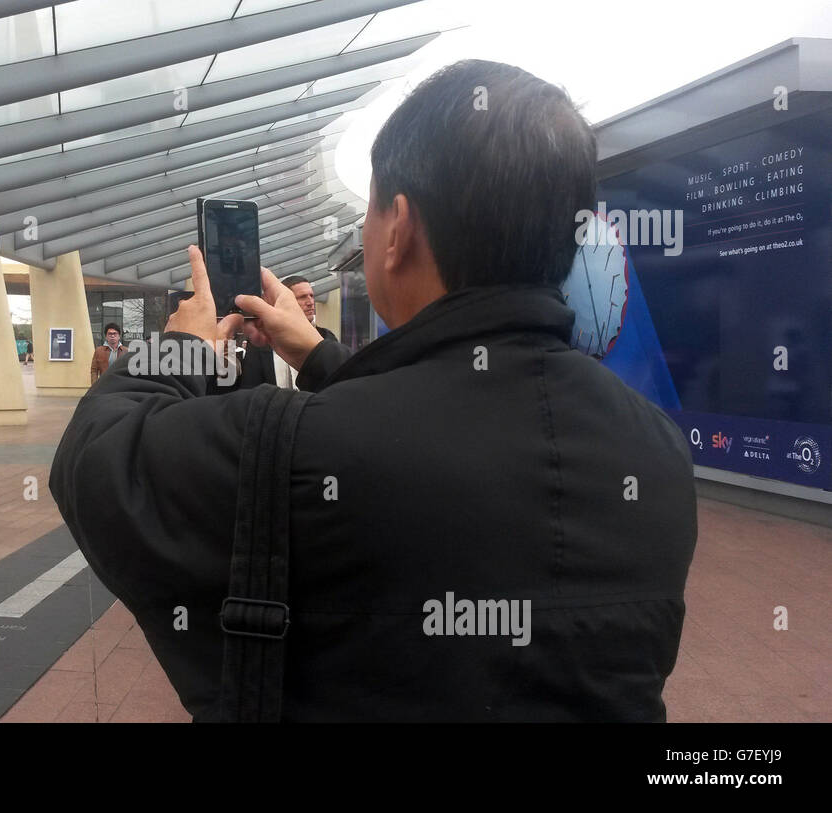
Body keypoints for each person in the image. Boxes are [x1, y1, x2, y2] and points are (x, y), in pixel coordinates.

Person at [50, 59, 697, 722]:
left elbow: (97, 460)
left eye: (369, 209)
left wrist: (180, 344)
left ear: (399, 229)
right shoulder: (657, 454)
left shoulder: (300, 451)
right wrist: (321, 356)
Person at [239, 274, 337, 389]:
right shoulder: (261, 343)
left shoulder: (326, 337)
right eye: (302, 297)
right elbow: (250, 387)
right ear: (285, 303)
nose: (310, 302)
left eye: (311, 296)